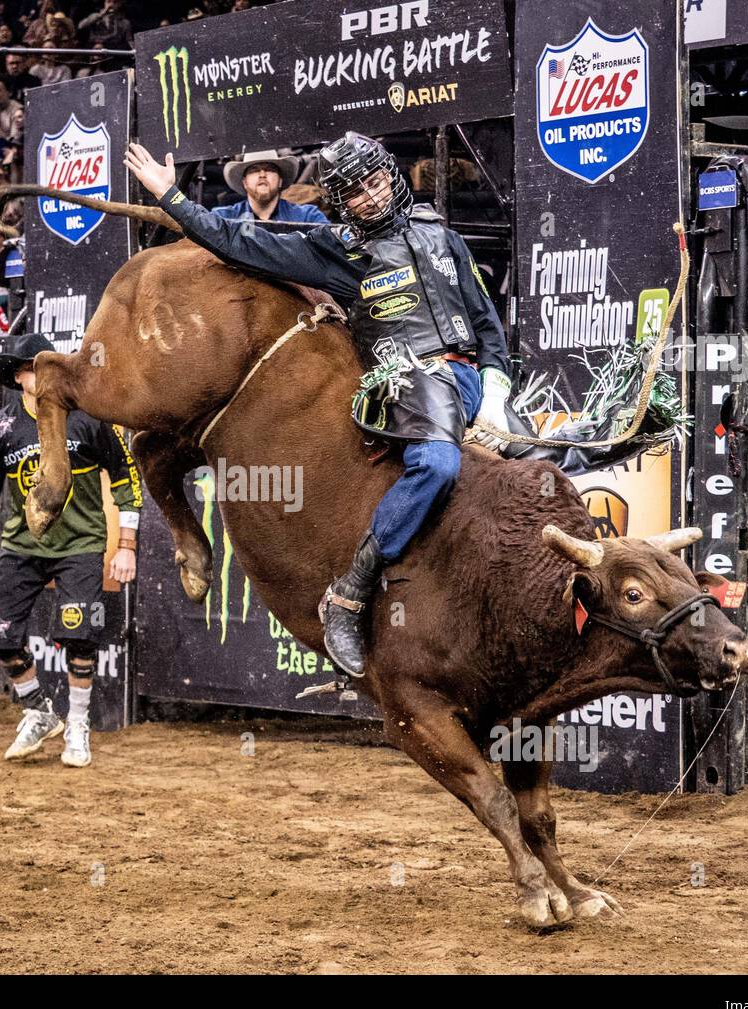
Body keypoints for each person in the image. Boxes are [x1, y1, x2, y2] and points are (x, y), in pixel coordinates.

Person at [125, 132, 513, 678]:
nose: (371, 197)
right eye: (355, 192)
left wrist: (495, 394)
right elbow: (237, 241)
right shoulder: (334, 249)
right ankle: (351, 593)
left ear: (392, 177)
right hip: (409, 382)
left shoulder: (438, 234)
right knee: (439, 464)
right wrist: (173, 197)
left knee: (543, 463)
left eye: (376, 182)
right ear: (340, 201)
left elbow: (486, 321)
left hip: (471, 380)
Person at [0, 333, 142, 766]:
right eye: (34, 368)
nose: (43, 375)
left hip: (81, 543)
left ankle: (78, 726)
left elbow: (126, 479)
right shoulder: (0, 428)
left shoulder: (91, 418)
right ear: (20, 377)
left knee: (78, 635)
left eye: (49, 366)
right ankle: (38, 710)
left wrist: (126, 545)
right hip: (20, 544)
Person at [212, 149, 328, 225]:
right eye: (254, 170)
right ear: (245, 182)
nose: (262, 174)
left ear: (280, 180)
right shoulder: (223, 219)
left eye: (269, 169)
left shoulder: (308, 218)